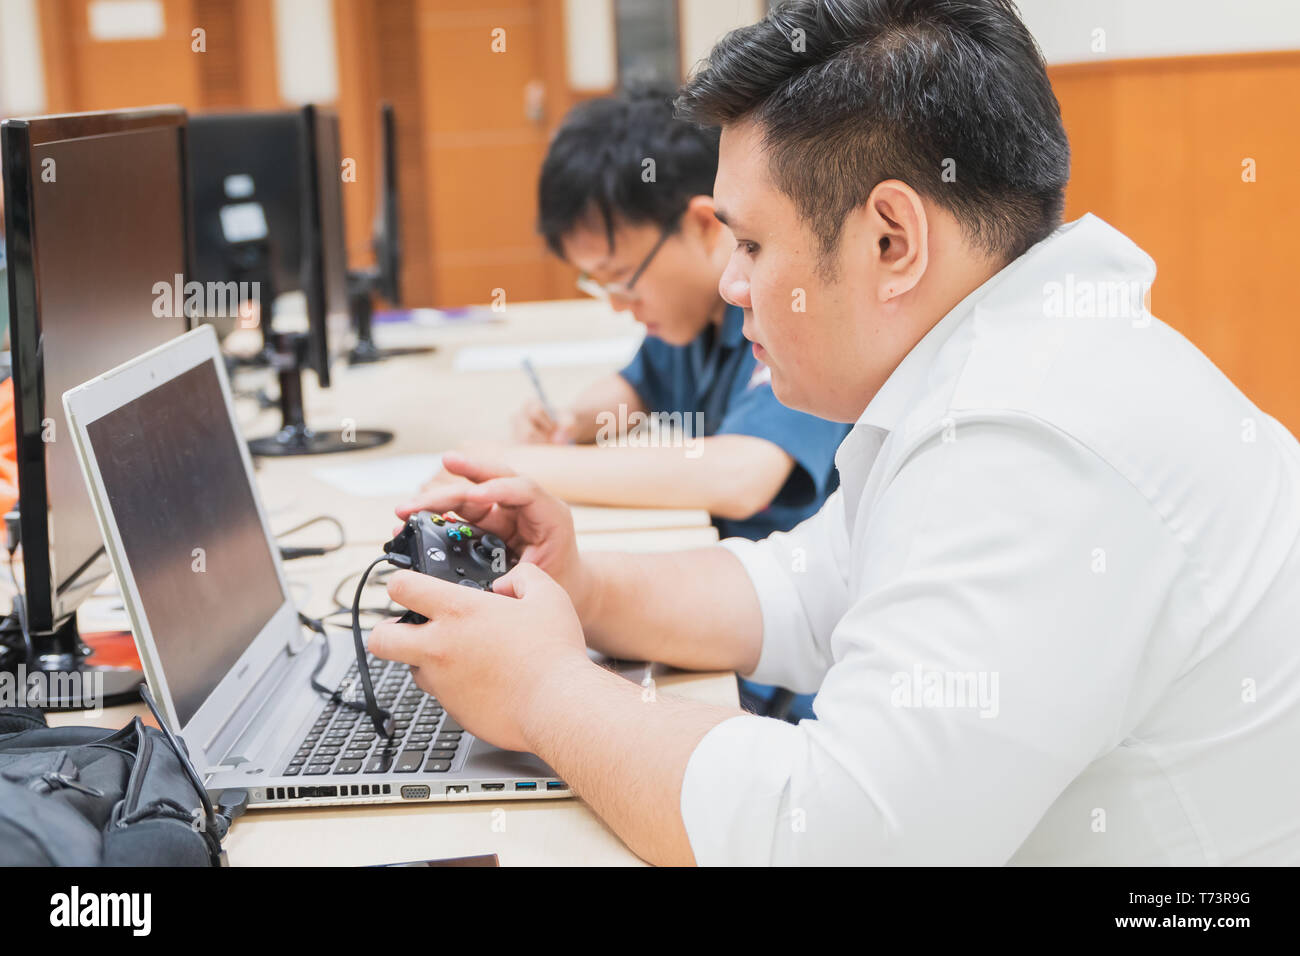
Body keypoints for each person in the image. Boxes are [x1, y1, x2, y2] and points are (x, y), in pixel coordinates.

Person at [370, 0, 1300, 865]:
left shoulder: (1030, 442)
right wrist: (583, 584)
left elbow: (828, 838)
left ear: (891, 239)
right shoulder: (997, 363)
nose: (733, 285)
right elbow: (811, 591)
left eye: (751, 244)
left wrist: (544, 690)